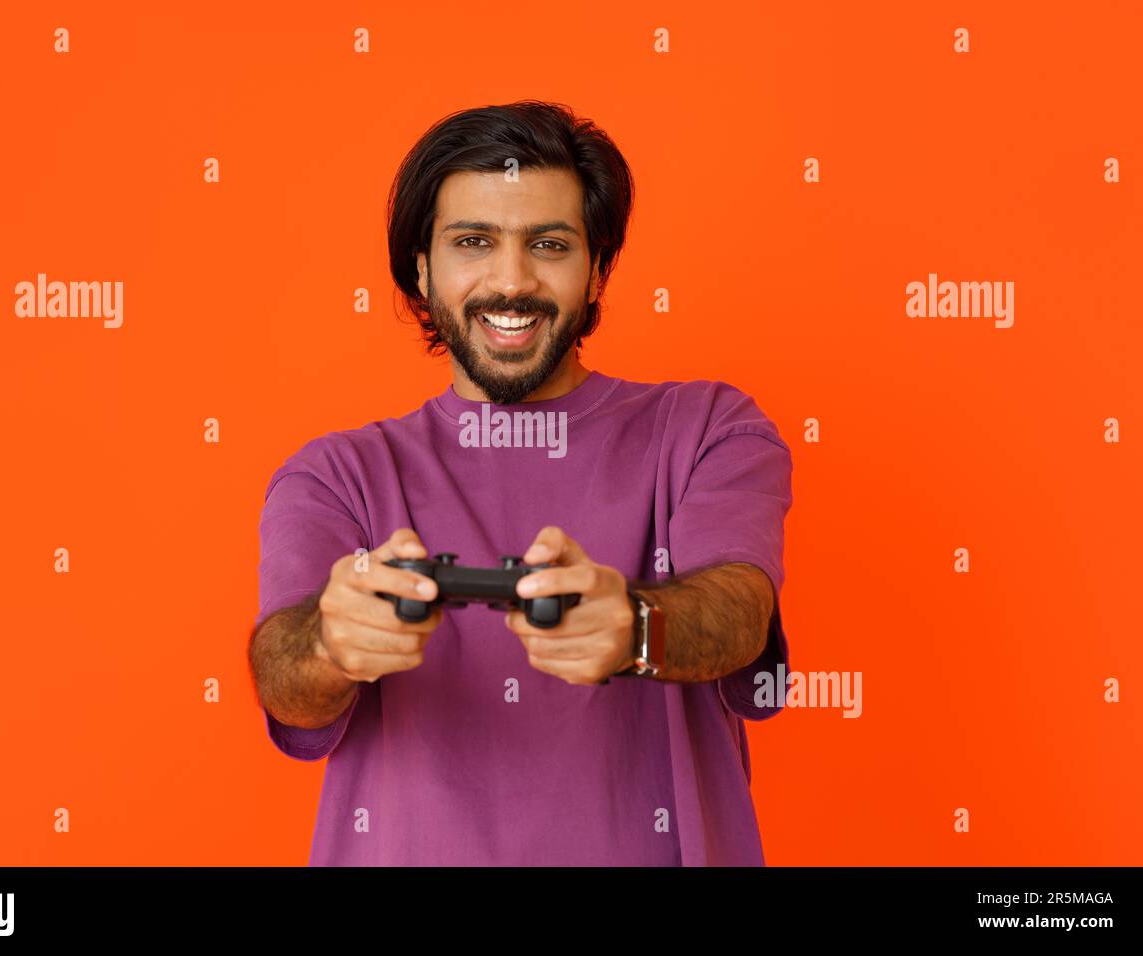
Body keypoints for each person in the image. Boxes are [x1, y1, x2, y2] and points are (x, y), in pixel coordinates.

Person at [247, 100, 793, 866]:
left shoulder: (708, 428)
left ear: (598, 268)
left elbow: (738, 616)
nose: (512, 281)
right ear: (421, 267)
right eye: (474, 242)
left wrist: (638, 627)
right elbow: (284, 678)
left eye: (549, 244)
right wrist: (333, 644)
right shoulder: (333, 474)